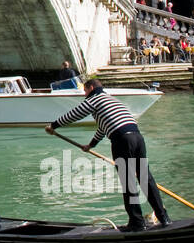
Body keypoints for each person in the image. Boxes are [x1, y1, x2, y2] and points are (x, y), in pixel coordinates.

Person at [46, 79, 171, 232]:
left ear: (91, 88)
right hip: (137, 138)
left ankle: (137, 222)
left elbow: (75, 114)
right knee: (145, 178)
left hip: (122, 140)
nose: (85, 95)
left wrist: (54, 125)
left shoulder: (94, 98)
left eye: (85, 91)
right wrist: (91, 145)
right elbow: (104, 127)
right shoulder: (112, 100)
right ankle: (164, 218)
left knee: (129, 181)